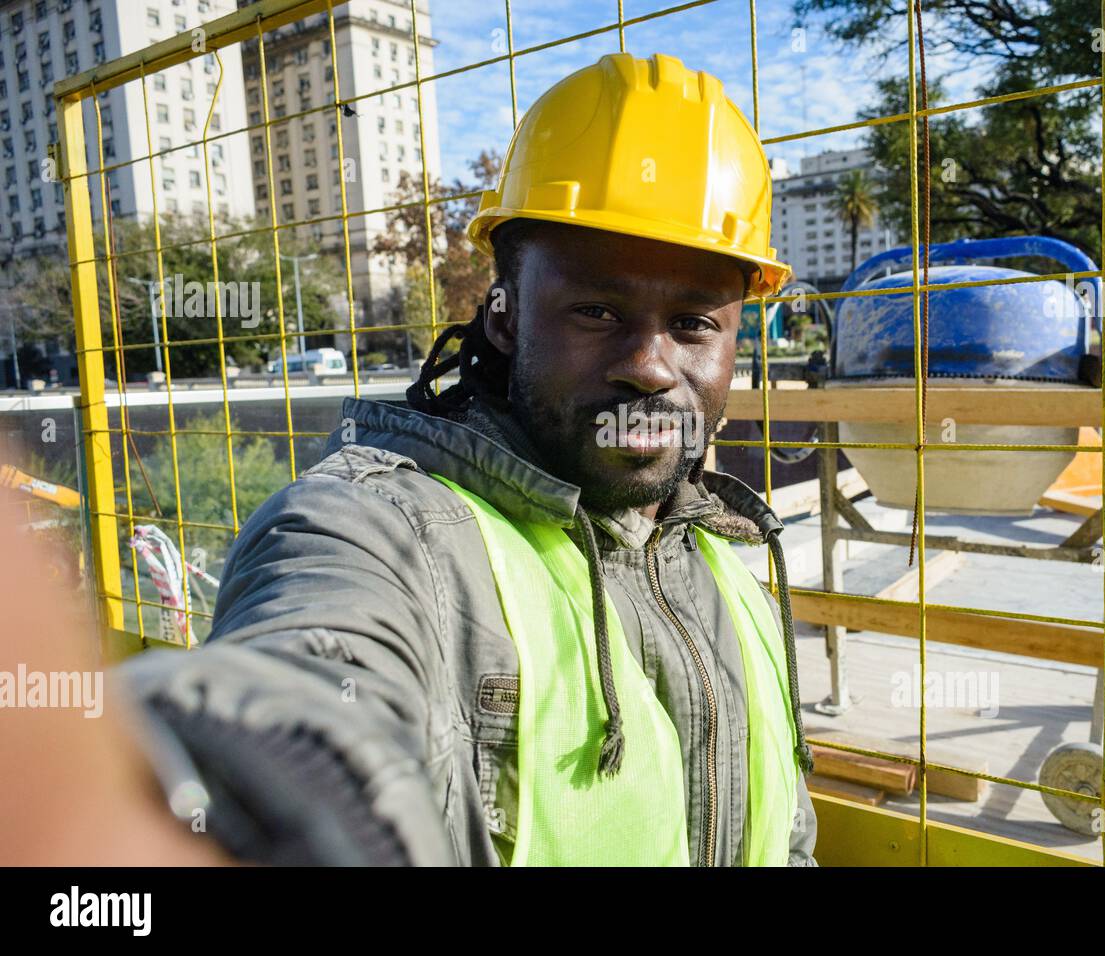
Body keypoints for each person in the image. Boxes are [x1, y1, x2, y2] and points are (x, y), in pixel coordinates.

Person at [117, 51, 818, 866]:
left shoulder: (731, 561)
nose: (652, 366)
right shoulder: (383, 531)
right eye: (596, 310)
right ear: (506, 318)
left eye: (695, 323)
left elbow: (789, 841)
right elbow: (307, 673)